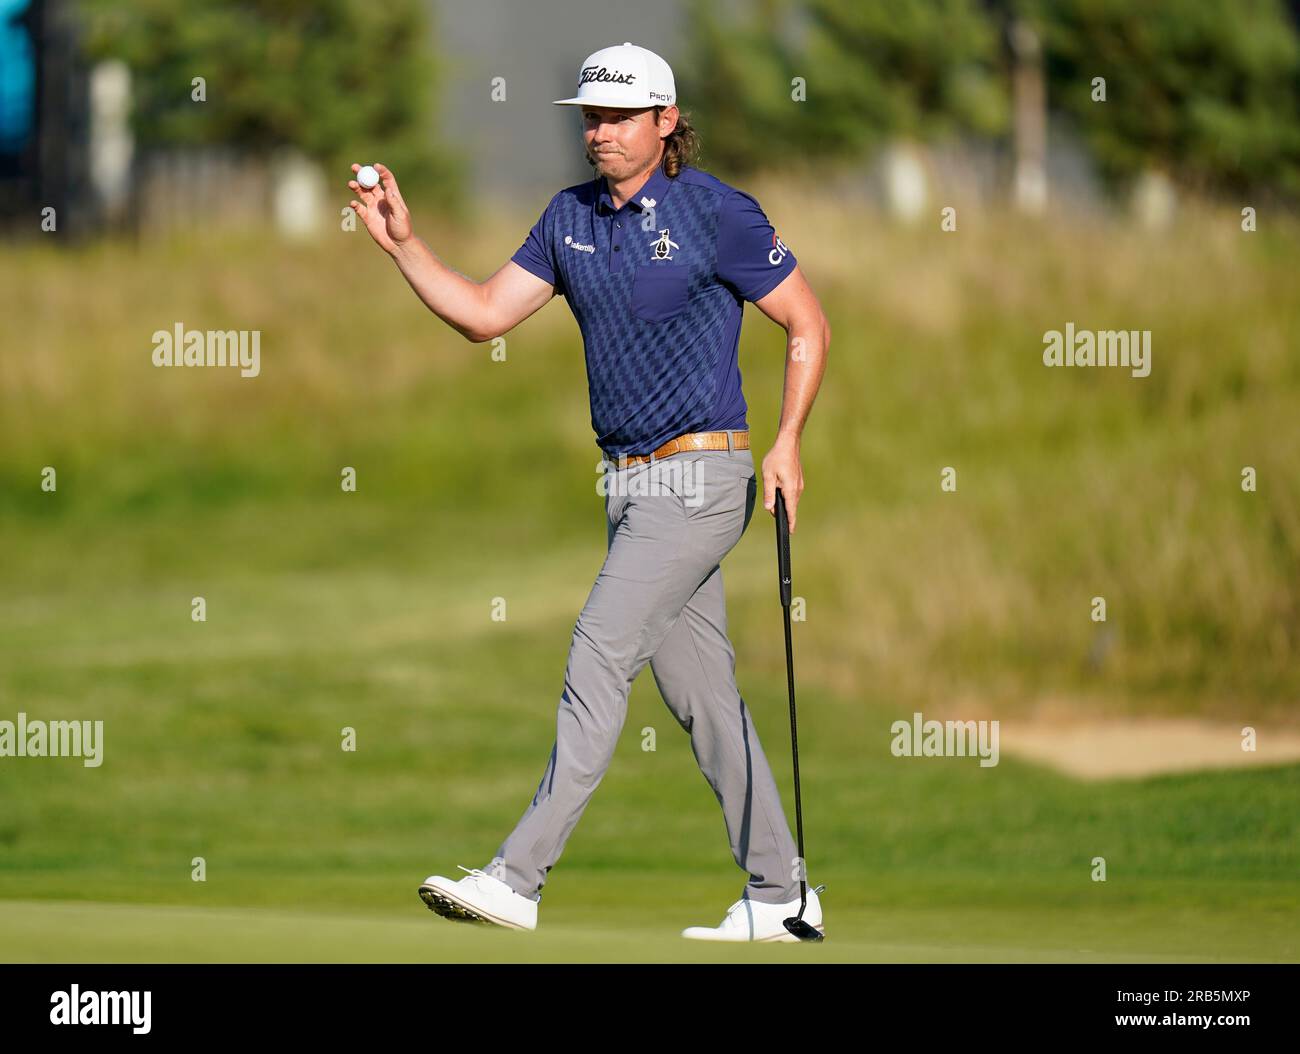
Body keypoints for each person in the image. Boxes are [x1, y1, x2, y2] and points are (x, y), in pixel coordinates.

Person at [348, 42, 830, 941]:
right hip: (629, 486)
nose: (598, 132)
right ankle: (781, 894)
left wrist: (790, 440)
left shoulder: (715, 212)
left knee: (598, 653)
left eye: (616, 116)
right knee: (703, 698)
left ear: (665, 122)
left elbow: (806, 320)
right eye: (589, 116)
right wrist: (403, 245)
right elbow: (483, 314)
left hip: (703, 474)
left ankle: (516, 877)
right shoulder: (568, 219)